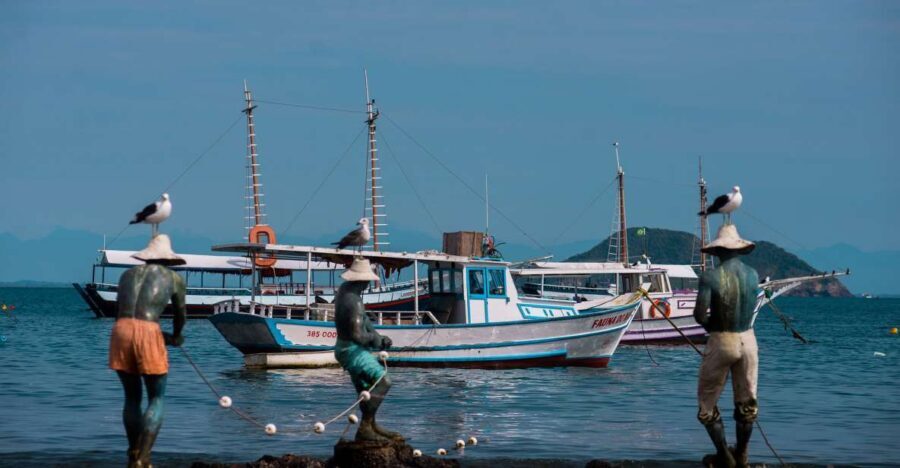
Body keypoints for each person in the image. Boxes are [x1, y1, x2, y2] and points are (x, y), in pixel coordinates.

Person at [108, 234, 187, 467]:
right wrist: (176, 336)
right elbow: (181, 313)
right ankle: (144, 458)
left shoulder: (126, 275)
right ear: (168, 260)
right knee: (157, 398)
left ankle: (132, 454)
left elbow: (119, 309)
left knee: (131, 397)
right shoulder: (173, 278)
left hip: (120, 330)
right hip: (149, 331)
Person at [692, 224, 760, 468]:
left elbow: (699, 314)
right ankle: (742, 455)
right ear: (739, 249)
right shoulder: (752, 275)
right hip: (748, 340)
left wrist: (712, 328)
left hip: (723, 340)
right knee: (747, 403)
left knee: (707, 405)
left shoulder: (710, 277)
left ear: (718, 250)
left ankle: (727, 458)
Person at [333, 257, 401, 442]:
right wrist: (375, 341)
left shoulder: (345, 291)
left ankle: (371, 425)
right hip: (351, 350)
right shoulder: (353, 301)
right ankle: (365, 426)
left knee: (366, 388)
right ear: (363, 280)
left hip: (345, 348)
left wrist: (377, 336)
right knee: (384, 381)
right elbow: (358, 335)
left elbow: (365, 323)